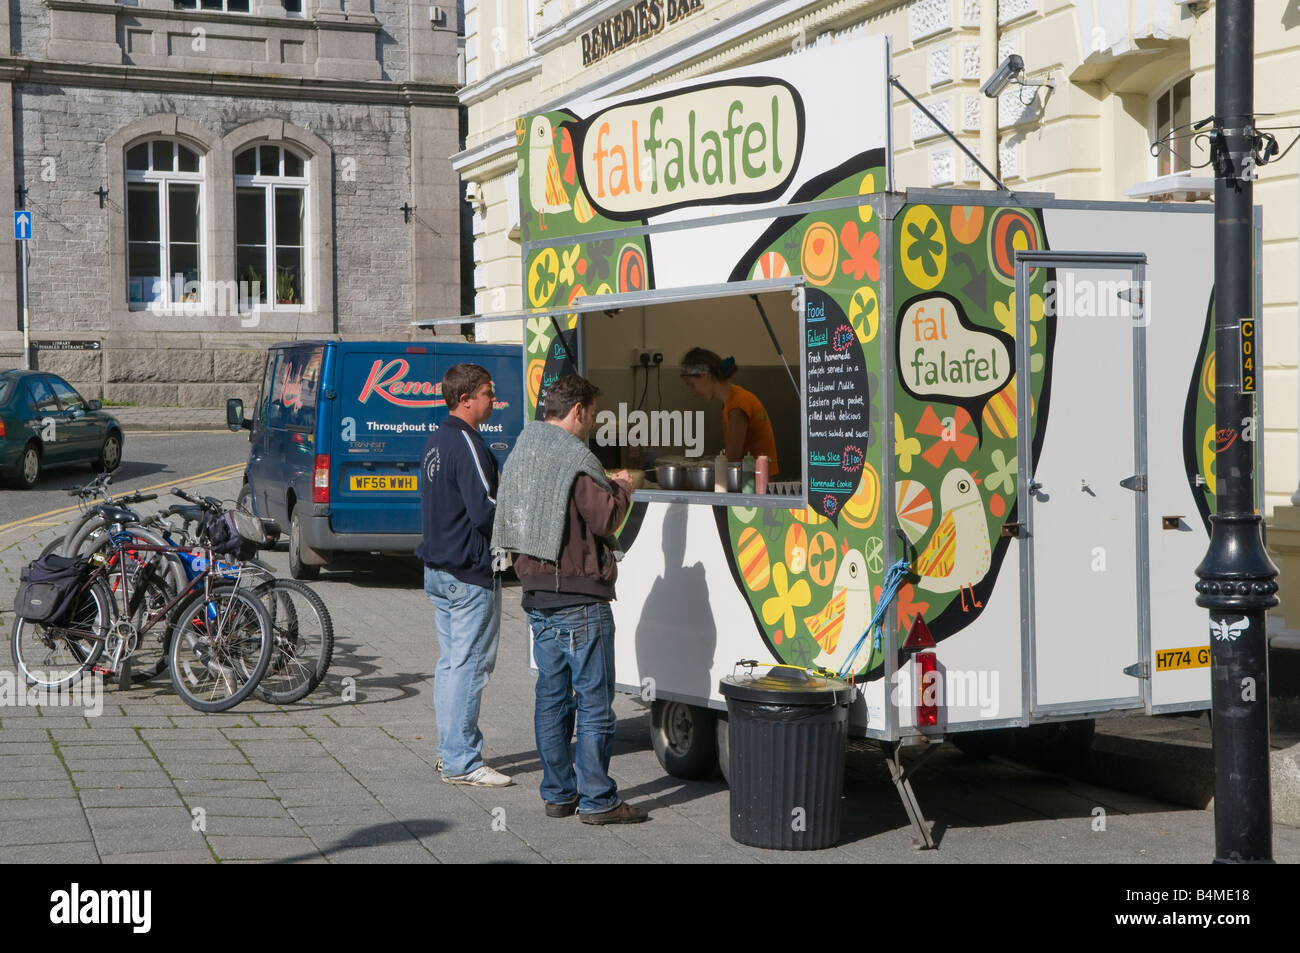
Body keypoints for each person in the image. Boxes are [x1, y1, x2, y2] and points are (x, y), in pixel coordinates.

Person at [492, 374, 647, 824]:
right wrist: (621, 488)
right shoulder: (572, 457)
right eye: (593, 413)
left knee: (551, 698)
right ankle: (599, 800)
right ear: (577, 410)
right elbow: (603, 519)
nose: (592, 423)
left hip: (537, 595)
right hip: (579, 596)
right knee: (594, 703)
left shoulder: (525, 447)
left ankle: (558, 794)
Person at [415, 363, 512, 788]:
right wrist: (518, 535)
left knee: (452, 665)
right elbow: (485, 509)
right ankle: (462, 762)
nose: (495, 400)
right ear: (466, 397)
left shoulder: (436, 440)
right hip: (468, 573)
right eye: (489, 393)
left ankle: (449, 752)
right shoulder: (467, 441)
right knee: (471, 667)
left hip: (438, 569)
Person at [680, 346, 779, 475]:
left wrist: (703, 467)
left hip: (756, 485)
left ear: (705, 376)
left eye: (692, 385)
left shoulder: (738, 405)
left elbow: (732, 458)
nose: (693, 392)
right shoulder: (731, 402)